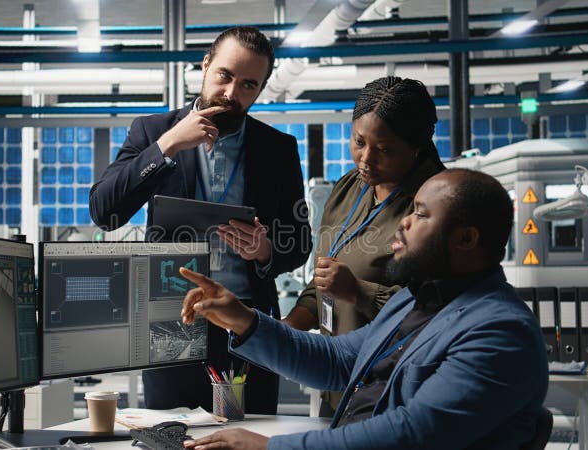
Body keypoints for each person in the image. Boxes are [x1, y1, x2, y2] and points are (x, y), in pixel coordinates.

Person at [179, 169, 549, 450]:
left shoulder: (500, 332)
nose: (404, 221)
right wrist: (243, 320)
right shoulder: (416, 298)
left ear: (466, 238)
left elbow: (414, 433)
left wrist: (270, 447)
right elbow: (338, 361)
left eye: (420, 214)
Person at [89, 26, 311, 414]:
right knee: (171, 435)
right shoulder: (152, 131)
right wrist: (168, 145)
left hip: (249, 324)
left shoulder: (278, 149)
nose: (231, 93)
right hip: (171, 321)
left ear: (260, 89)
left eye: (247, 85)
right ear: (206, 65)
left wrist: (266, 251)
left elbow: (300, 243)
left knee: (254, 434)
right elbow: (104, 211)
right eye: (224, 76)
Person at [281, 76, 445, 415]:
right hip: (338, 384)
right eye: (359, 141)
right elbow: (323, 280)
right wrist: (286, 330)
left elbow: (439, 312)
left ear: (416, 147)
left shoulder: (435, 205)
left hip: (393, 394)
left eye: (384, 150)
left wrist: (359, 292)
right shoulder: (348, 189)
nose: (366, 159)